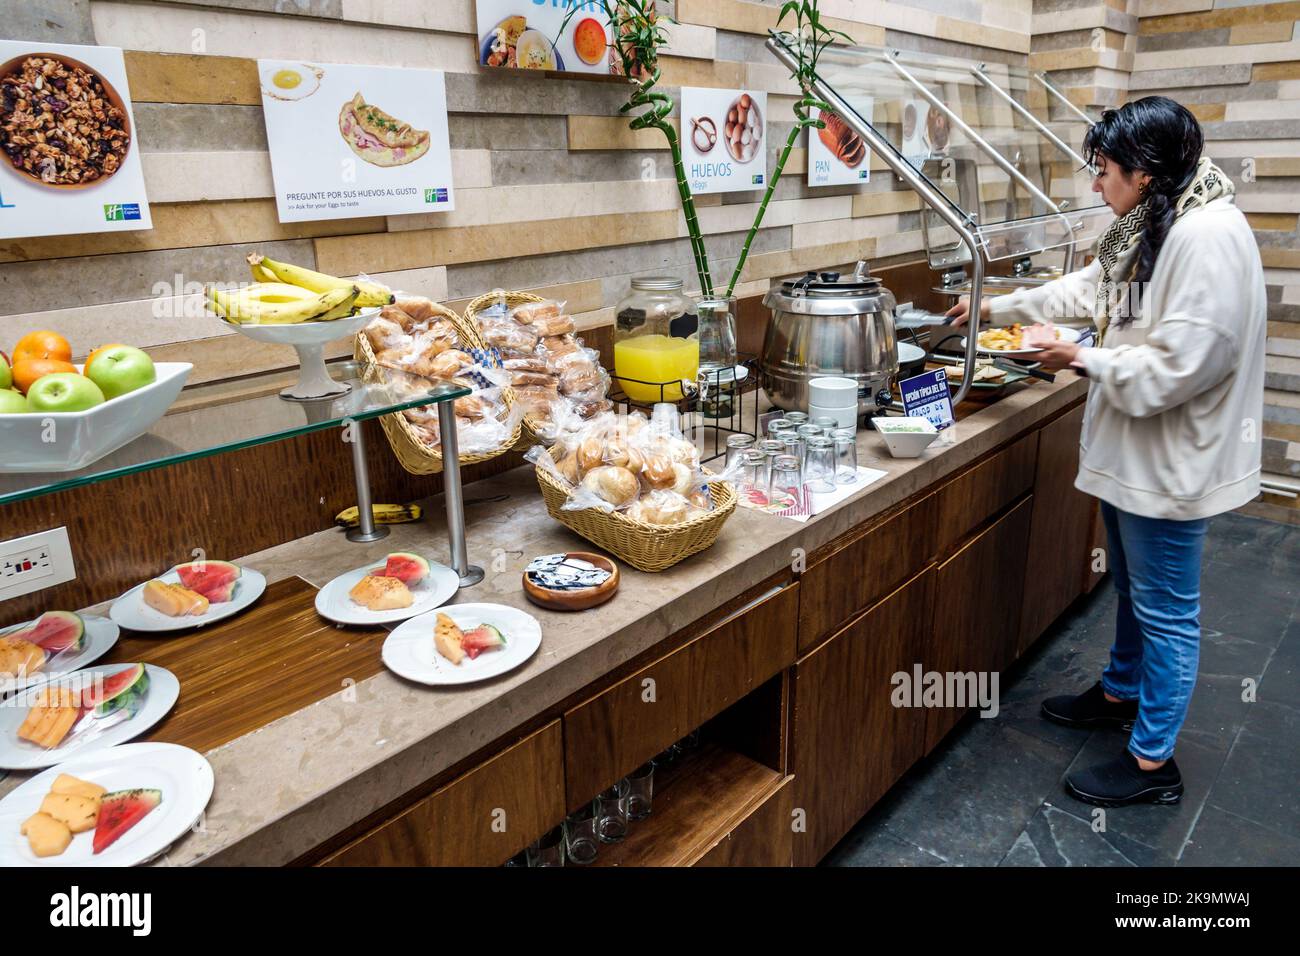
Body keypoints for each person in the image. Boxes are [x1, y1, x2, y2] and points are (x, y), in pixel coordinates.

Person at [947, 96, 1266, 807]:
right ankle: (1121, 693)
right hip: (1136, 454)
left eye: (1104, 171)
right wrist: (994, 304)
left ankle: (1153, 765)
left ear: (1144, 174)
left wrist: (1082, 360)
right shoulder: (1159, 217)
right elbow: (1093, 285)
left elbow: (1187, 365)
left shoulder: (1205, 236)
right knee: (1131, 584)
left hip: (1171, 458)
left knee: (1167, 609)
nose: (1096, 183)